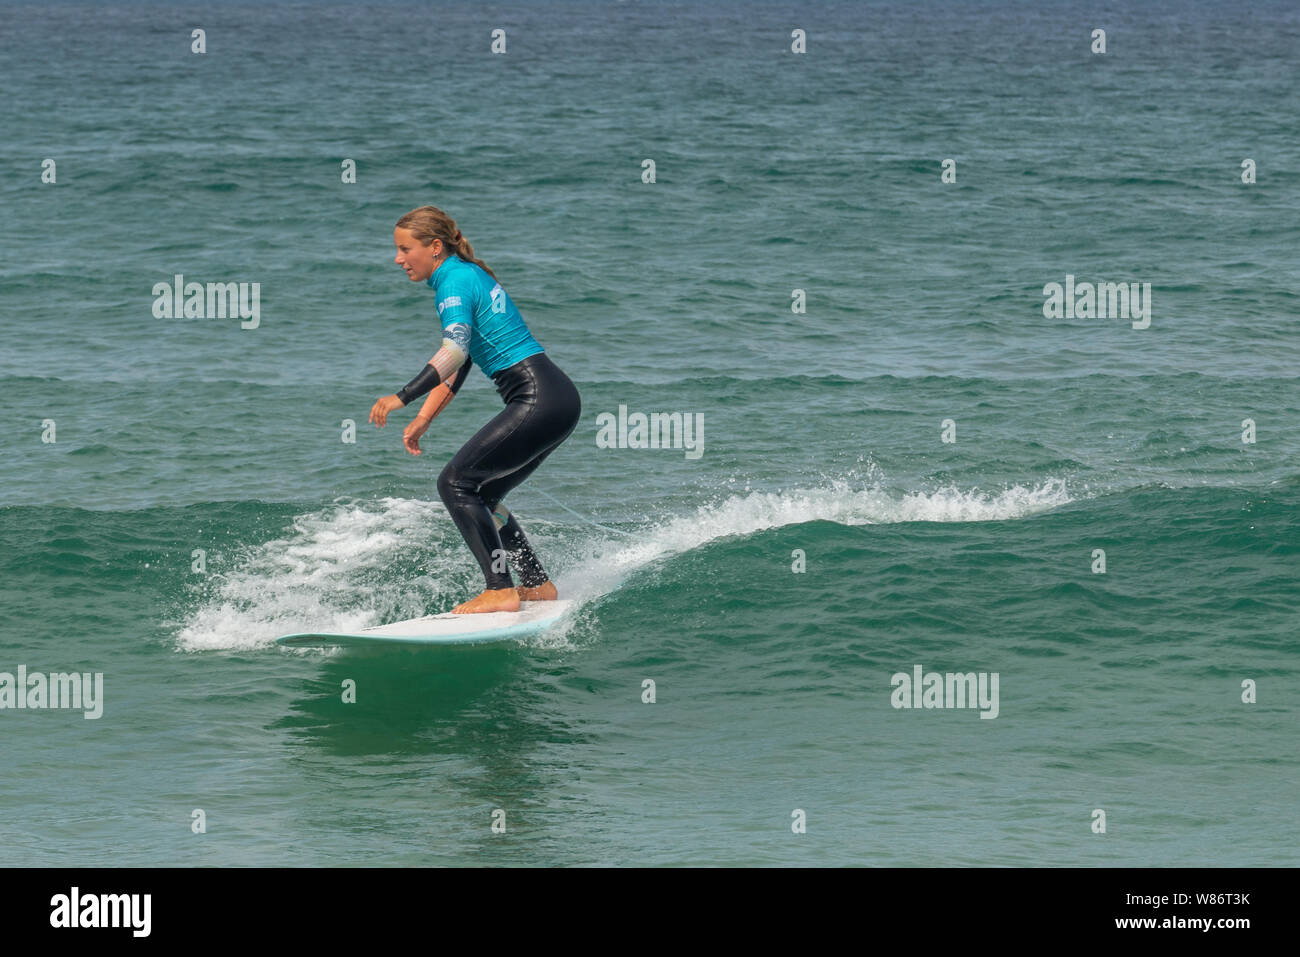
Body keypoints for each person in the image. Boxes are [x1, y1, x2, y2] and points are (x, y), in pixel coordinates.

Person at [369, 205, 581, 614]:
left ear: (434, 247)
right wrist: (424, 418)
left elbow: (452, 351)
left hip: (536, 396)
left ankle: (499, 589)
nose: (398, 259)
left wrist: (402, 397)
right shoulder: (469, 275)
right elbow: (459, 367)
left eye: (403, 249)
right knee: (484, 492)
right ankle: (536, 585)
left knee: (455, 484)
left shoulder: (453, 282)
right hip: (558, 398)